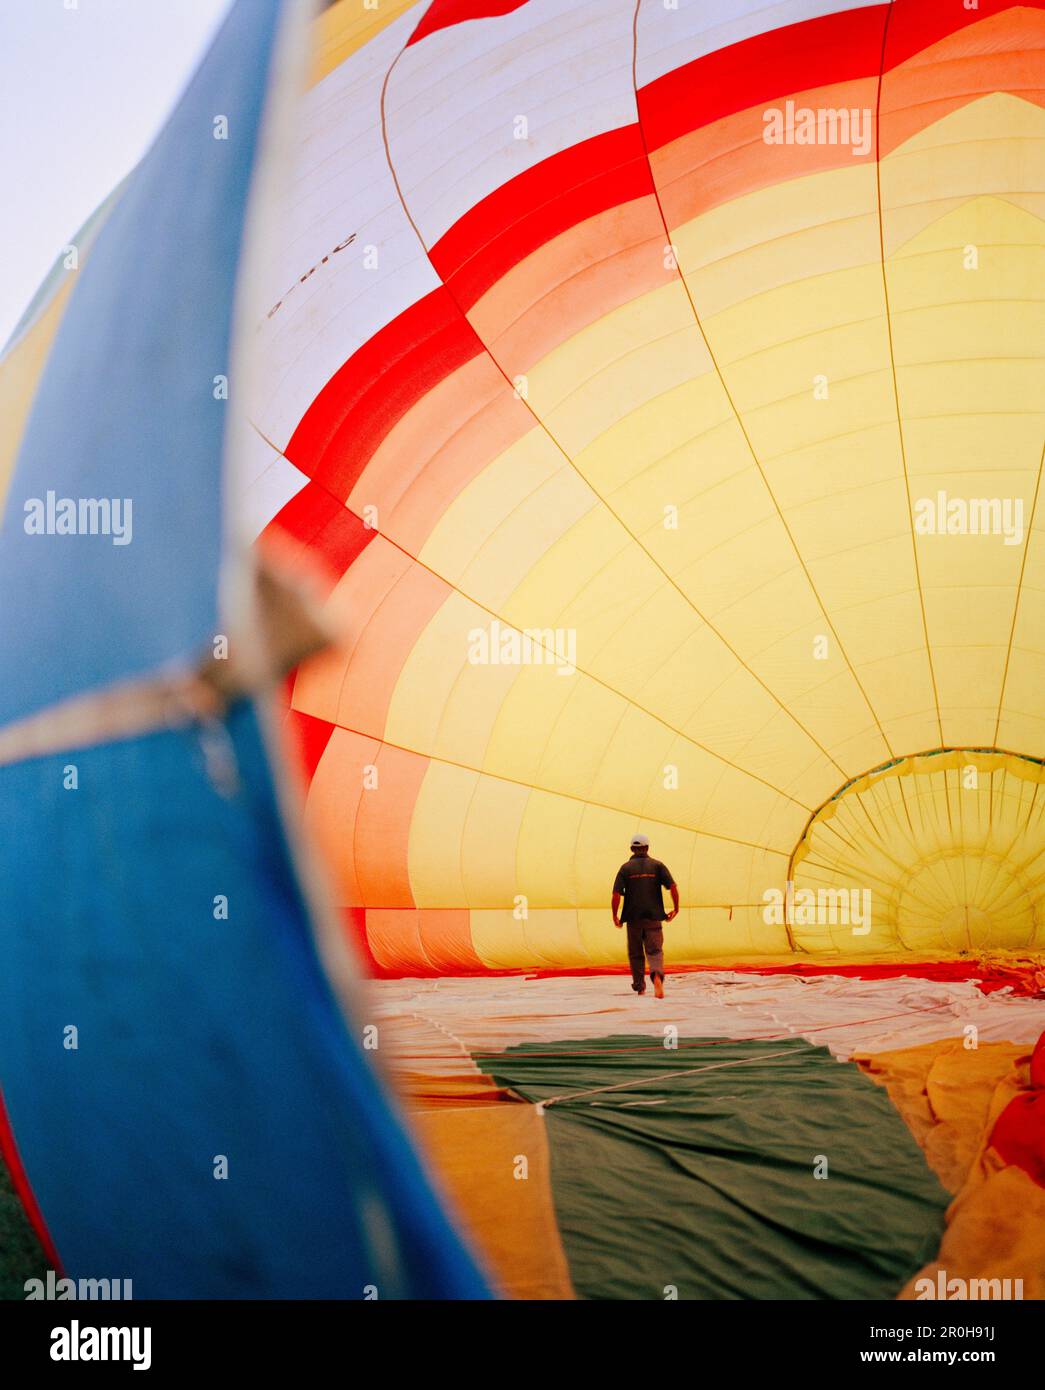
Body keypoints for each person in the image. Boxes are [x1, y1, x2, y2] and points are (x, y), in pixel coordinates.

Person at [612, 834, 679, 998]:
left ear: (632, 849)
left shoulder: (625, 868)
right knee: (655, 951)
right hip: (654, 917)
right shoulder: (658, 866)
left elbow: (616, 894)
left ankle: (640, 987)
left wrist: (615, 916)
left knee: (636, 953)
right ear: (647, 848)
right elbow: (673, 886)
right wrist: (676, 909)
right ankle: (656, 975)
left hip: (633, 918)